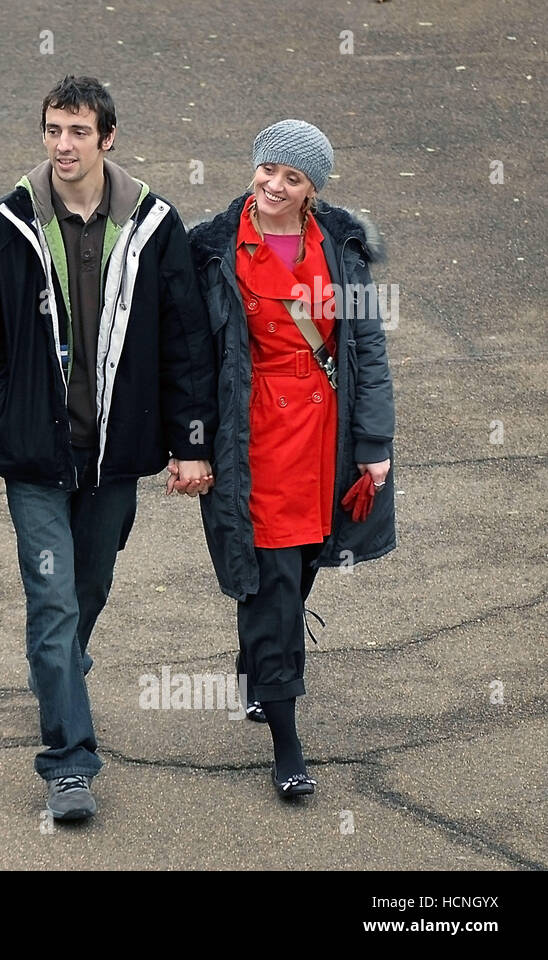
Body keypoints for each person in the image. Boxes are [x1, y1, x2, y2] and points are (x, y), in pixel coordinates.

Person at [0, 75, 217, 821]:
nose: (63, 146)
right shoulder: (5, 225)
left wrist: (191, 443)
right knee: (54, 603)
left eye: (78, 133)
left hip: (113, 460)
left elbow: (187, 345)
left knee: (85, 596)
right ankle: (70, 763)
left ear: (109, 138)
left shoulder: (156, 226)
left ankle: (58, 670)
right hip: (34, 460)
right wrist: (6, 420)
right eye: (52, 131)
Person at [187, 119, 397, 798]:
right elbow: (189, 360)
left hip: (328, 439)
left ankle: (255, 665)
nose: (275, 185)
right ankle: (286, 742)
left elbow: (365, 347)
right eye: (268, 170)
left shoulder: (342, 246)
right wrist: (189, 444)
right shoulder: (213, 249)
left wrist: (373, 445)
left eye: (293, 178)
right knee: (272, 585)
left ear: (313, 190)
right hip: (254, 444)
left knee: (305, 566)